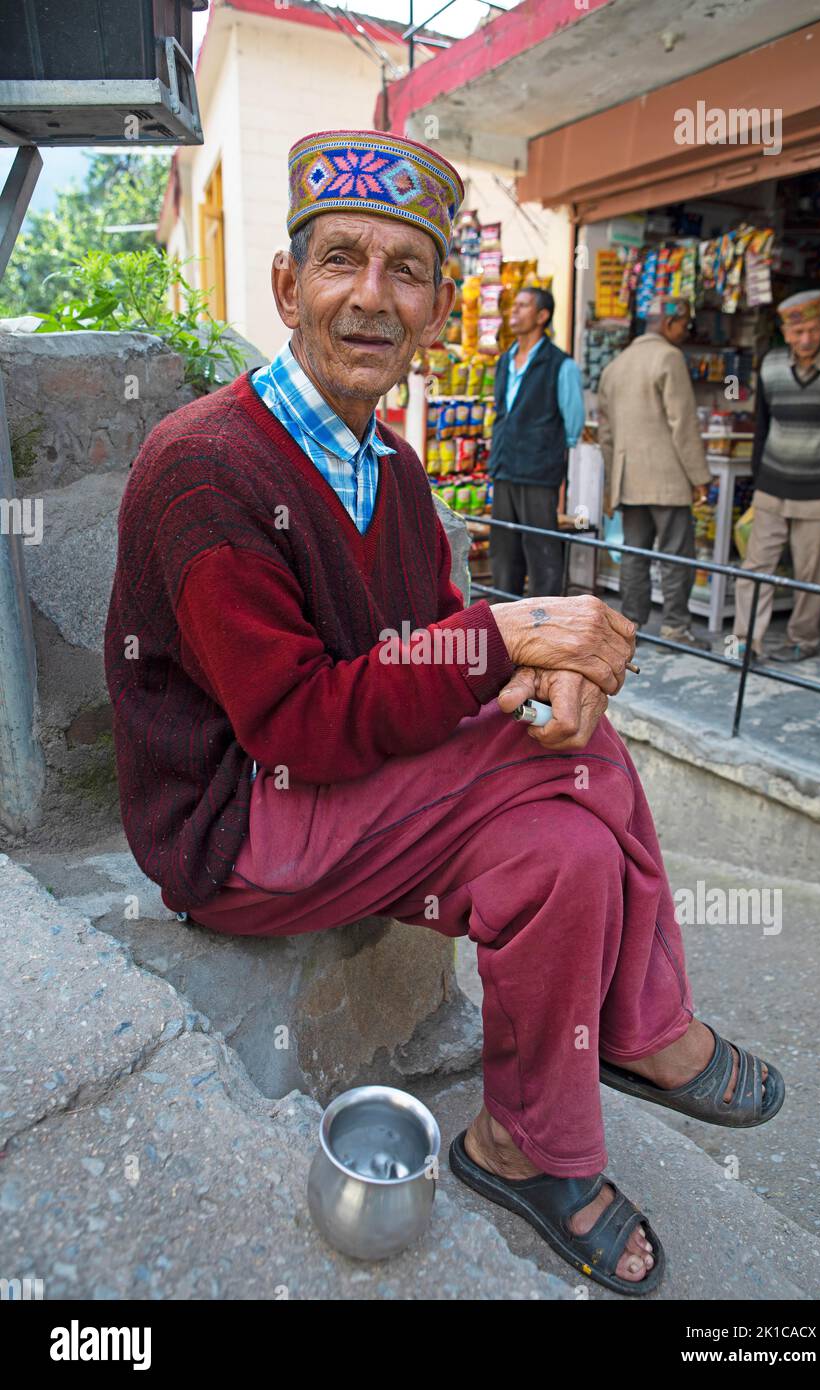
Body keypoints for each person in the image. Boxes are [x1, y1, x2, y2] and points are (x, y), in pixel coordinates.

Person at [104, 128, 783, 1295]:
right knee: (576, 765)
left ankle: (519, 1141)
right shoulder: (206, 468)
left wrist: (540, 679)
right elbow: (294, 725)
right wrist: (515, 640)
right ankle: (645, 1023)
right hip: (242, 827)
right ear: (285, 286)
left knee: (564, 850)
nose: (370, 297)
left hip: (359, 804)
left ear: (433, 309)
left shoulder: (396, 468)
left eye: (403, 272)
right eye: (339, 262)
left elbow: (434, 651)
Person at [732, 289, 820, 663]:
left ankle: (803, 639)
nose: (805, 339)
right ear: (784, 332)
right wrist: (758, 480)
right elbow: (762, 428)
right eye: (797, 332)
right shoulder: (771, 365)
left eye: (812, 329)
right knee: (755, 567)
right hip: (773, 489)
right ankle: (746, 641)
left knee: (811, 574)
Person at [598, 297, 711, 651]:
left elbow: (606, 436)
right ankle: (675, 628)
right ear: (670, 323)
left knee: (635, 554)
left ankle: (632, 624)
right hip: (668, 478)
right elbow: (683, 424)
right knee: (676, 555)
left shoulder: (615, 366)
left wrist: (611, 485)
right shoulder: (669, 357)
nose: (686, 332)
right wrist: (699, 476)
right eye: (685, 324)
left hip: (629, 479)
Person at [487, 287, 585, 598]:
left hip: (539, 470)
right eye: (513, 305)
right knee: (504, 551)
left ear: (542, 316)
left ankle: (546, 620)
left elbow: (574, 424)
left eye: (523, 306)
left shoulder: (561, 365)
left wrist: (545, 447)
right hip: (504, 466)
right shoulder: (504, 361)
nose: (513, 311)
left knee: (541, 550)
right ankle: (504, 619)